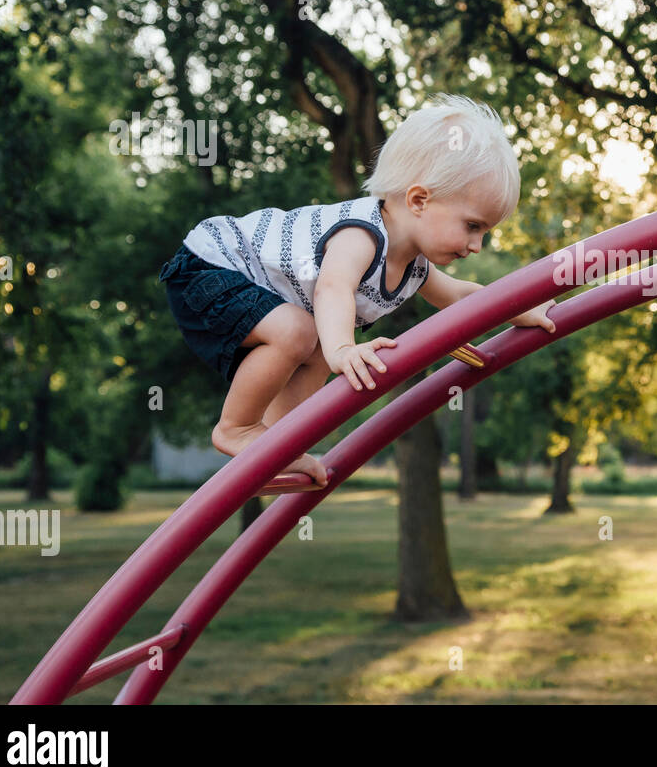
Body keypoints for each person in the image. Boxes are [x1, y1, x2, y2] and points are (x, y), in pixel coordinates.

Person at [158, 94, 556, 487]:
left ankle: (274, 445)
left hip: (253, 288)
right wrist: (344, 349)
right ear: (419, 199)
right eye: (473, 226)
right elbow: (333, 288)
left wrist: (523, 308)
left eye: (485, 232)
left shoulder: (415, 266)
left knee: (313, 343)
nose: (477, 245)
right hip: (213, 263)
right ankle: (237, 427)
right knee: (305, 333)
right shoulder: (362, 233)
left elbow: (459, 297)